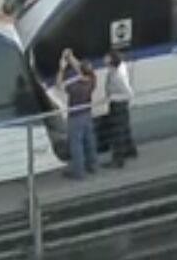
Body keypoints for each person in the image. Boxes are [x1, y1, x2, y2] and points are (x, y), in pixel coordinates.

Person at [56, 48, 97, 179]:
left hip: (75, 116)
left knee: (76, 144)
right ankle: (93, 166)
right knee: (89, 140)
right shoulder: (92, 80)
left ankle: (78, 173)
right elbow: (83, 69)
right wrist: (71, 57)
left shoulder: (74, 85)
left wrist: (62, 68)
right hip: (87, 114)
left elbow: (59, 85)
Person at [104, 50, 138, 165]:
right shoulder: (119, 68)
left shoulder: (117, 76)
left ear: (112, 61)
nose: (104, 59)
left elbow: (128, 92)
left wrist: (111, 97)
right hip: (122, 104)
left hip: (118, 104)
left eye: (107, 57)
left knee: (117, 131)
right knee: (125, 127)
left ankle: (118, 159)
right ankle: (130, 150)